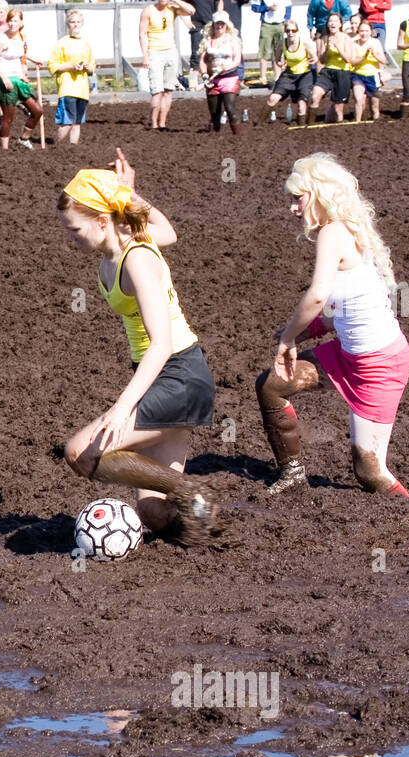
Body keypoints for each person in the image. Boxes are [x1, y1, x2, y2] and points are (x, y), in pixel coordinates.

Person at [60, 151, 220, 544]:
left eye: (74, 231)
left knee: (81, 452)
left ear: (102, 220)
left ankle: (193, 493)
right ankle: (206, 531)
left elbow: (161, 343)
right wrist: (127, 193)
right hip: (156, 376)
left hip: (180, 376)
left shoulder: (138, 258)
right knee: (153, 513)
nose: (69, 239)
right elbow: (169, 231)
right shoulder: (113, 254)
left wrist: (121, 408)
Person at [257, 153, 409, 499]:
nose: (293, 208)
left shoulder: (333, 232)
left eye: (298, 198)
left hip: (379, 365)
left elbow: (316, 297)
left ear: (319, 195)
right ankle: (293, 474)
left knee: (369, 471)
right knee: (271, 386)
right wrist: (309, 331)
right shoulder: (346, 230)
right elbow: (347, 307)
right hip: (349, 355)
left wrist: (288, 338)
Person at [0, 9, 43, 150]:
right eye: (10, 20)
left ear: (21, 22)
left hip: (19, 80)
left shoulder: (21, 37)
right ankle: (4, 150)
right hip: (6, 81)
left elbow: (21, 55)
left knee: (37, 111)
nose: (12, 24)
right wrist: (4, 78)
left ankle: (24, 138)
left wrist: (31, 61)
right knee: (8, 118)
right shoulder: (2, 39)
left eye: (15, 21)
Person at [139, 0, 195, 131]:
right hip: (155, 52)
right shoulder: (149, 10)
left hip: (171, 51)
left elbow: (191, 11)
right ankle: (154, 123)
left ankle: (163, 123)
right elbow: (142, 34)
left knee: (168, 90)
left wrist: (175, 1)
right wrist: (145, 55)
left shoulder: (173, 9)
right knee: (157, 91)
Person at [49, 9, 94, 144]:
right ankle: (56, 145)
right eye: (72, 22)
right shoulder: (61, 43)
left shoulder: (86, 45)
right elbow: (53, 66)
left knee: (77, 123)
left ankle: (73, 149)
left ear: (82, 24)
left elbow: (92, 68)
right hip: (68, 88)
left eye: (78, 22)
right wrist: (71, 66)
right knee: (67, 123)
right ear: (68, 24)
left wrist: (87, 67)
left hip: (82, 90)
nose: (75, 24)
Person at [266, 18, 317, 124]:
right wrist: (280, 64)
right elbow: (277, 59)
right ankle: (258, 124)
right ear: (285, 31)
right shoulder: (282, 43)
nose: (290, 33)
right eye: (288, 31)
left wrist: (311, 61)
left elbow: (315, 58)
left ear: (297, 31)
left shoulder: (304, 43)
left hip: (304, 75)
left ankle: (301, 126)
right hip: (289, 75)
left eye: (293, 30)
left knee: (301, 104)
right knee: (273, 98)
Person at [202, 10, 245, 133]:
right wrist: (205, 75)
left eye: (222, 24)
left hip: (229, 78)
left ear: (226, 25)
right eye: (217, 24)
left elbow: (237, 60)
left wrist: (227, 67)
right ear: (213, 25)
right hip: (213, 78)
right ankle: (215, 134)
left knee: (230, 108)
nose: (220, 26)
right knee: (215, 112)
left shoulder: (232, 41)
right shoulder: (208, 41)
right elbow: (202, 61)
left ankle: (238, 135)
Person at [310, 12, 353, 122]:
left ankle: (338, 126)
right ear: (327, 24)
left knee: (338, 107)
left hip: (342, 72)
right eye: (330, 21)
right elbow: (322, 60)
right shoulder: (325, 38)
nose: (332, 23)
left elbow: (348, 59)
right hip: (328, 71)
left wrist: (338, 46)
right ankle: (310, 122)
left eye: (335, 21)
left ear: (340, 24)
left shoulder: (346, 38)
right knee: (315, 95)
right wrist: (328, 48)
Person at [347, 18, 386, 120]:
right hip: (358, 75)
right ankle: (357, 122)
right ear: (358, 32)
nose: (364, 33)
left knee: (374, 106)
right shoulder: (354, 43)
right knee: (358, 99)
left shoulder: (376, 42)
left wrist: (375, 55)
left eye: (366, 31)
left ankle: (375, 122)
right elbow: (352, 61)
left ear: (370, 31)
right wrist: (363, 57)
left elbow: (383, 60)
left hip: (373, 75)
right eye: (362, 31)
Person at [251, 0, 291, 84]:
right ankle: (263, 77)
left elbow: (288, 6)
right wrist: (267, 8)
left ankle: (277, 77)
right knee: (264, 51)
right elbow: (254, 7)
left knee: (278, 51)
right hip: (266, 24)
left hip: (280, 24)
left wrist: (286, 21)